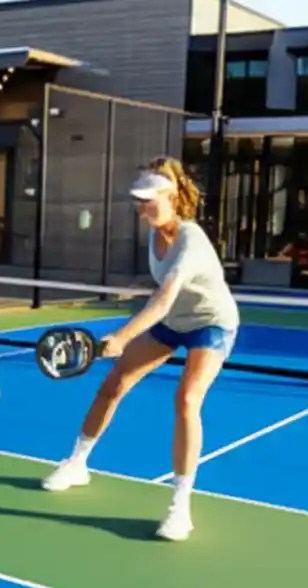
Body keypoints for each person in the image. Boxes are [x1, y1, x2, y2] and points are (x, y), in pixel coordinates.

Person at [40, 157, 239, 542]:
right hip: (173, 323)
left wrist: (123, 336)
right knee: (114, 383)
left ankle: (181, 507)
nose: (141, 207)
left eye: (149, 200)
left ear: (173, 197)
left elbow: (163, 300)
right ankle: (77, 463)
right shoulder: (153, 234)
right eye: (138, 200)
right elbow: (160, 298)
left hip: (211, 324)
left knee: (186, 400)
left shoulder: (191, 239)